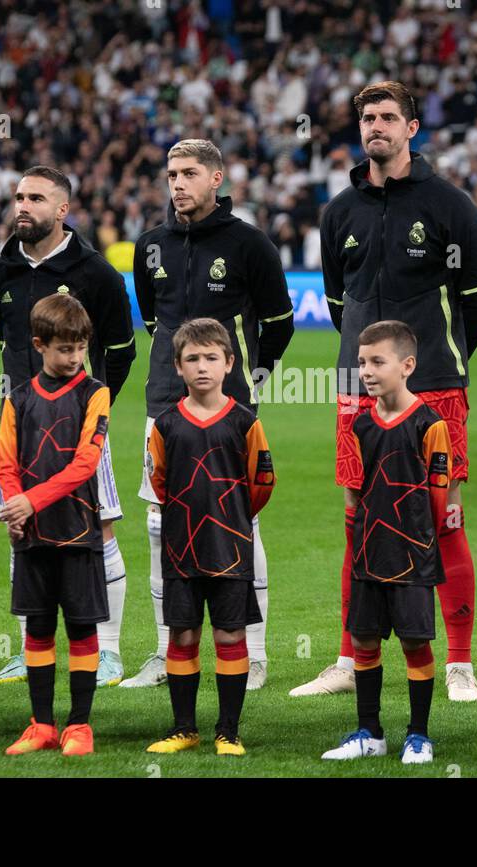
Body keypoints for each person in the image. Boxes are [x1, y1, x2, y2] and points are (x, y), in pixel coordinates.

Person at [297, 81, 477, 703]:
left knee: (442, 520)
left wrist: (430, 359)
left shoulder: (451, 205)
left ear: (413, 127)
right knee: (358, 520)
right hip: (356, 389)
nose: (375, 126)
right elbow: (338, 301)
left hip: (434, 384)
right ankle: (348, 658)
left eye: (388, 117)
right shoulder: (338, 212)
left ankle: (459, 664)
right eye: (366, 118)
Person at [127, 139, 293, 691]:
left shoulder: (250, 244)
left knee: (241, 521)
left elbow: (279, 322)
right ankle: (162, 651)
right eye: (172, 173)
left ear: (216, 179)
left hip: (232, 409)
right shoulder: (149, 246)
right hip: (163, 406)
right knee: (157, 526)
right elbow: (154, 323)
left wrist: (250, 379)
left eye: (189, 173)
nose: (177, 183)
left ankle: (257, 653)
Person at [0, 165, 135, 689]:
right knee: (19, 526)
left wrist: (95, 404)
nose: (23, 206)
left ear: (62, 210)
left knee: (101, 527)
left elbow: (121, 348)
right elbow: (6, 345)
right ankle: (31, 649)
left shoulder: (96, 273)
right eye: (19, 197)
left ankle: (109, 650)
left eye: (37, 198)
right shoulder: (0, 270)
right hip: (20, 420)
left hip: (81, 420)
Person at [320, 320, 450, 765]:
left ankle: (419, 735)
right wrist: (358, 542)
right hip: (367, 552)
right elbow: (353, 492)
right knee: (363, 641)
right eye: (361, 363)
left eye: (378, 361)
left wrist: (419, 538)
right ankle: (369, 732)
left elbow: (436, 497)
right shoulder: (358, 424)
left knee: (416, 644)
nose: (367, 371)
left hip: (412, 553)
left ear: (407, 365)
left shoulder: (431, 425)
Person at [143, 318, 275, 757]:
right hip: (181, 549)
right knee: (181, 636)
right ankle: (184, 728)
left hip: (230, 547)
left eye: (211, 358)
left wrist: (231, 517)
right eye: (192, 359)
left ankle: (228, 731)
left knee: (229, 635)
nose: (202, 367)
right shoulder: (164, 424)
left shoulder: (244, 421)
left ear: (229, 363)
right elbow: (158, 482)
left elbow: (262, 484)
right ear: (177, 367)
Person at [0, 293, 109, 757]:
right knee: (38, 628)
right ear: (40, 345)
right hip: (33, 535)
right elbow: (7, 462)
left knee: (82, 630)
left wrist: (30, 501)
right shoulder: (18, 397)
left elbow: (87, 461)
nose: (75, 357)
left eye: (81, 347)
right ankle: (41, 723)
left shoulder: (94, 392)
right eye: (66, 349)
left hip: (79, 529)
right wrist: (13, 508)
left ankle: (79, 725)